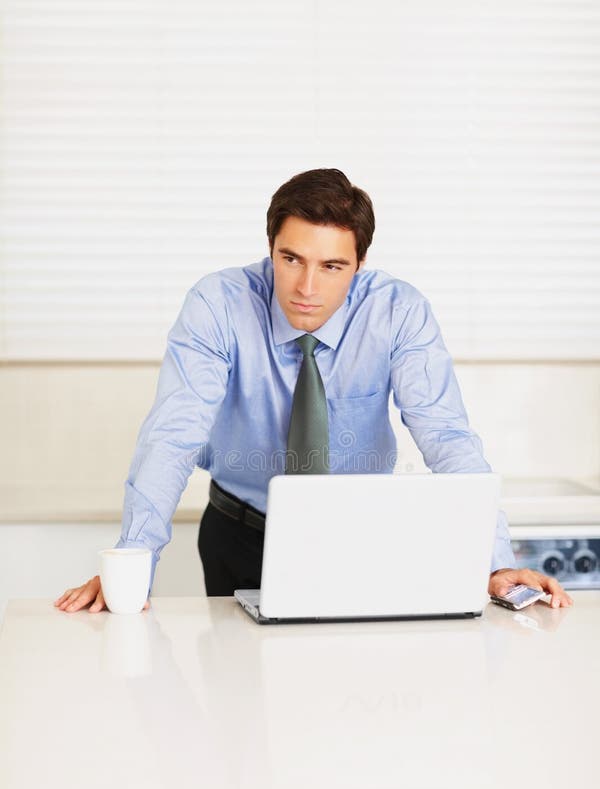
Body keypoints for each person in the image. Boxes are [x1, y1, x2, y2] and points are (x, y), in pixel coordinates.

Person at [55, 168, 572, 614]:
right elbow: (173, 435)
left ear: (360, 263)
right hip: (241, 533)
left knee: (347, 702)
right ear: (270, 250)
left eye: (332, 267)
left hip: (359, 534)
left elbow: (447, 436)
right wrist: (132, 565)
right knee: (239, 703)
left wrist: (497, 562)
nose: (307, 288)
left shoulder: (398, 313)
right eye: (292, 259)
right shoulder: (218, 305)